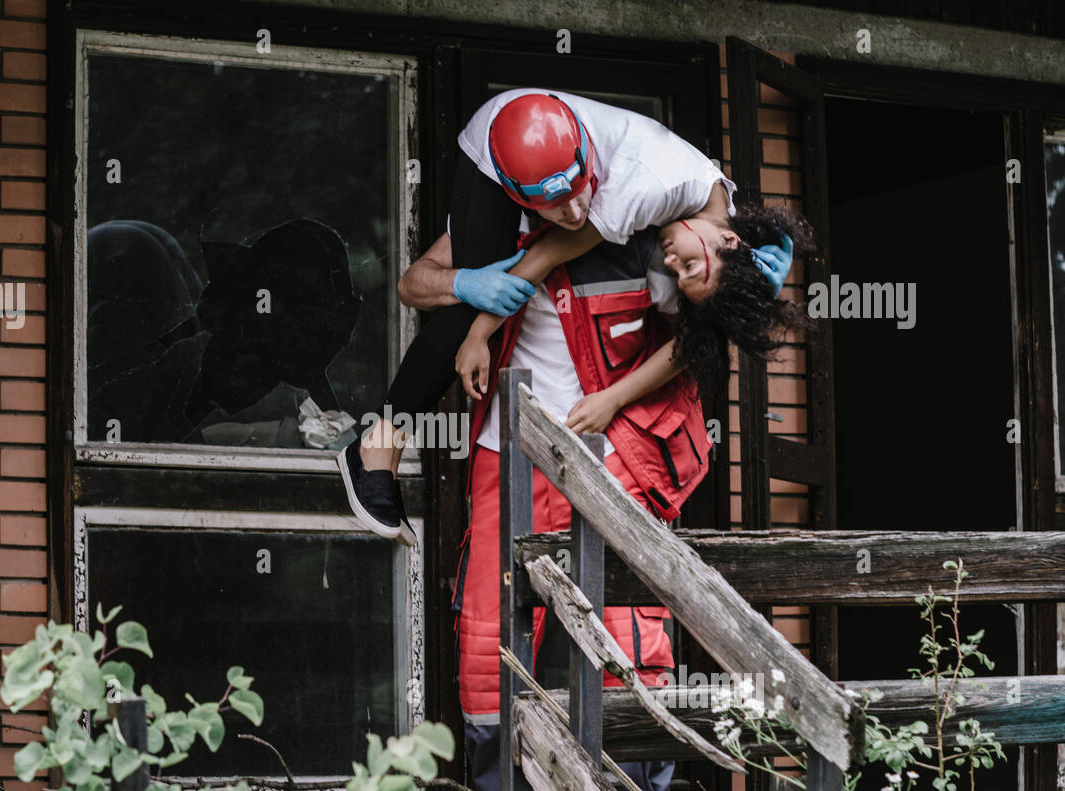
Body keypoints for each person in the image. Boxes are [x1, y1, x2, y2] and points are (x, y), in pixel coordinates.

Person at [337, 90, 798, 544]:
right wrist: (480, 327)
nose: (673, 263)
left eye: (682, 274)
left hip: (559, 153)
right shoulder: (653, 187)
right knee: (484, 296)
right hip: (505, 133)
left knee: (485, 288)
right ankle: (378, 447)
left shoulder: (707, 241)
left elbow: (690, 345)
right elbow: (561, 243)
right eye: (688, 266)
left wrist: (738, 308)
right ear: (730, 241)